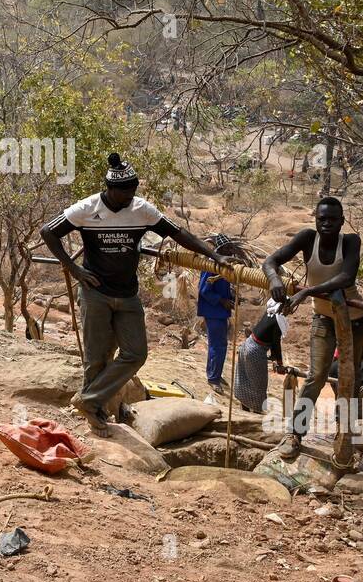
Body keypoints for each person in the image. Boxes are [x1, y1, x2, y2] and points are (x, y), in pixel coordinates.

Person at [40, 153, 226, 436]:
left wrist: (212, 254)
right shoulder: (87, 208)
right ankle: (97, 411)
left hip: (127, 294)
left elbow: (179, 234)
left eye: (132, 192)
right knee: (97, 356)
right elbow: (48, 232)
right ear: (109, 189)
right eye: (124, 192)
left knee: (135, 353)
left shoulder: (142, 209)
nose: (129, 197)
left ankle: (88, 400)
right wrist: (74, 269)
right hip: (95, 293)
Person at [263, 196, 363, 456]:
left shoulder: (351, 242)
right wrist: (274, 279)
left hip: (353, 319)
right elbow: (270, 261)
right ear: (316, 220)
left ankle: (346, 431)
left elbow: (346, 277)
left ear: (342, 221)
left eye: (333, 219)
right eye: (322, 219)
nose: (327, 224)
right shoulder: (308, 239)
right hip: (323, 318)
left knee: (351, 375)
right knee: (316, 375)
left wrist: (307, 292)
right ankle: (294, 434)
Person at [197, 234, 243, 394]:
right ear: (220, 249)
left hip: (219, 312)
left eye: (231, 247)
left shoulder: (222, 266)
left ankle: (215, 373)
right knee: (218, 345)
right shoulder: (212, 265)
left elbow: (222, 288)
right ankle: (213, 378)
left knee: (218, 344)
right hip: (213, 312)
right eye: (228, 248)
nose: (231, 251)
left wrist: (232, 298)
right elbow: (204, 290)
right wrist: (223, 301)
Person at [236, 300, 287, 413]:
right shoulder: (278, 321)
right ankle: (257, 411)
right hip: (255, 351)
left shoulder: (269, 314)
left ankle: (244, 409)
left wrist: (274, 358)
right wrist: (280, 364)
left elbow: (269, 338)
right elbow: (275, 344)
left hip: (246, 345)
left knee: (245, 379)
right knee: (259, 384)